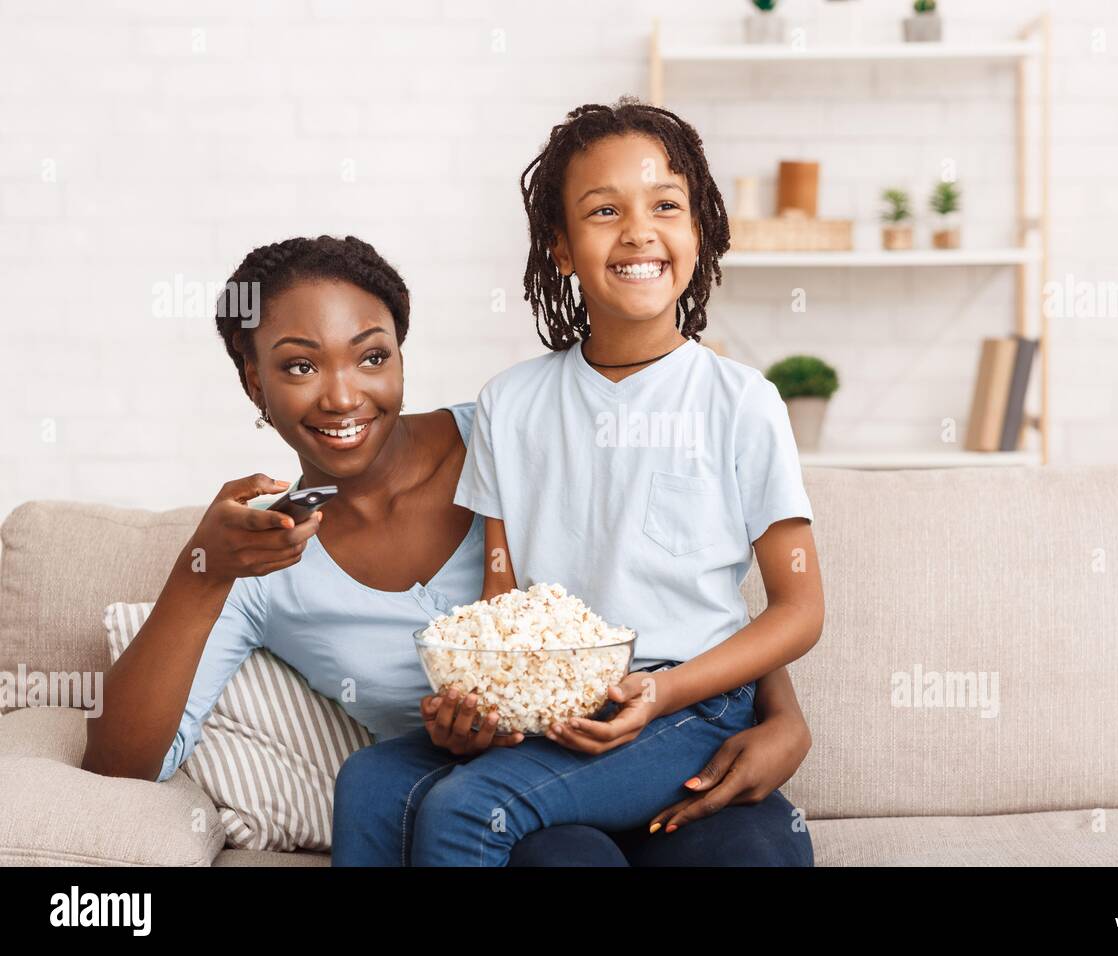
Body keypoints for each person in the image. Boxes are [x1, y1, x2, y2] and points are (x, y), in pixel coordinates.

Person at [80, 233, 815, 866]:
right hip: (510, 802)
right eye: (300, 366)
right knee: (558, 854)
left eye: (371, 357)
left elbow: (677, 570)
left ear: (399, 356)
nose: (342, 397)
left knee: (750, 847)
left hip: (656, 745)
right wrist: (198, 573)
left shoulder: (510, 431)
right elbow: (120, 765)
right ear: (254, 383)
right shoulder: (261, 555)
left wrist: (779, 716)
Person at [333, 97, 825, 867]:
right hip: (555, 701)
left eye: (666, 205)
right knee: (369, 779)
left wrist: (663, 694)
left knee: (469, 811)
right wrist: (485, 701)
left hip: (685, 703)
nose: (638, 231)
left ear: (698, 232)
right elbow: (503, 598)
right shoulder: (511, 403)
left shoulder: (741, 403)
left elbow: (799, 612)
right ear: (561, 248)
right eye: (604, 211)